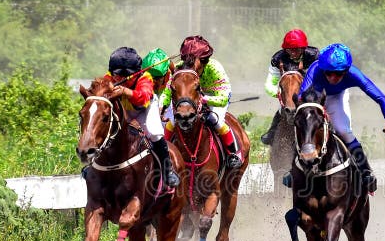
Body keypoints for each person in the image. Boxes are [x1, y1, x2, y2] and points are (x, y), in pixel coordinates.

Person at [296, 43, 385, 193]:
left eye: (339, 74)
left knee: (343, 131)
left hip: (337, 97)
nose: (333, 78)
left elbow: (381, 98)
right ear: (323, 69)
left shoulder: (353, 73)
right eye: (329, 73)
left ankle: (366, 172)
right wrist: (318, 110)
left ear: (346, 70)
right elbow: (301, 97)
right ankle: (294, 170)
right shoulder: (315, 68)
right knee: (305, 126)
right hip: (315, 99)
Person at [161, 35, 243, 169]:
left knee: (215, 120)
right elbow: (168, 91)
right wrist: (163, 105)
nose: (190, 66)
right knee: (172, 122)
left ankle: (234, 153)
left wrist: (204, 99)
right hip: (189, 97)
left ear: (203, 61)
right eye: (188, 61)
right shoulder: (179, 69)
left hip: (215, 96)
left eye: (193, 62)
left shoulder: (215, 68)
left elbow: (223, 98)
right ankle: (162, 156)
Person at [106, 46, 180, 187]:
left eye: (120, 77)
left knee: (154, 132)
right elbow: (101, 84)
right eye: (114, 75)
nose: (116, 78)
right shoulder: (111, 75)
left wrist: (125, 91)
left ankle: (167, 170)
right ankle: (93, 166)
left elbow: (142, 98)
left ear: (131, 74)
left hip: (145, 108)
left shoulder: (145, 79)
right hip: (124, 110)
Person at [260, 29, 320, 145]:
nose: (292, 53)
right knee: (282, 109)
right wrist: (280, 94)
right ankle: (272, 133)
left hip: (310, 89)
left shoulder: (314, 56)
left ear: (303, 48)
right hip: (287, 90)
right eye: (289, 50)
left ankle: (333, 131)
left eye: (296, 50)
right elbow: (270, 84)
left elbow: (320, 79)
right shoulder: (277, 59)